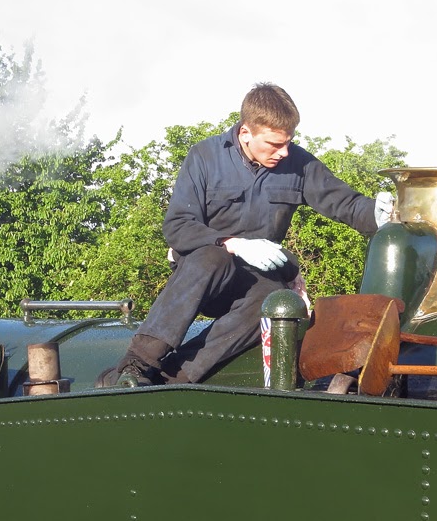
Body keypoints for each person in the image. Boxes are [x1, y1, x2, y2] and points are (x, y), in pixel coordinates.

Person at [100, 83, 393, 387]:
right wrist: (232, 243)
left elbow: (345, 203)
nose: (283, 152)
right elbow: (178, 225)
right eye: (273, 145)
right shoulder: (204, 157)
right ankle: (134, 365)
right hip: (203, 278)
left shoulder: (299, 164)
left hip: (256, 278)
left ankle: (169, 380)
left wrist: (379, 214)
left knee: (273, 300)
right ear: (245, 133)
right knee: (214, 258)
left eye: (288, 143)